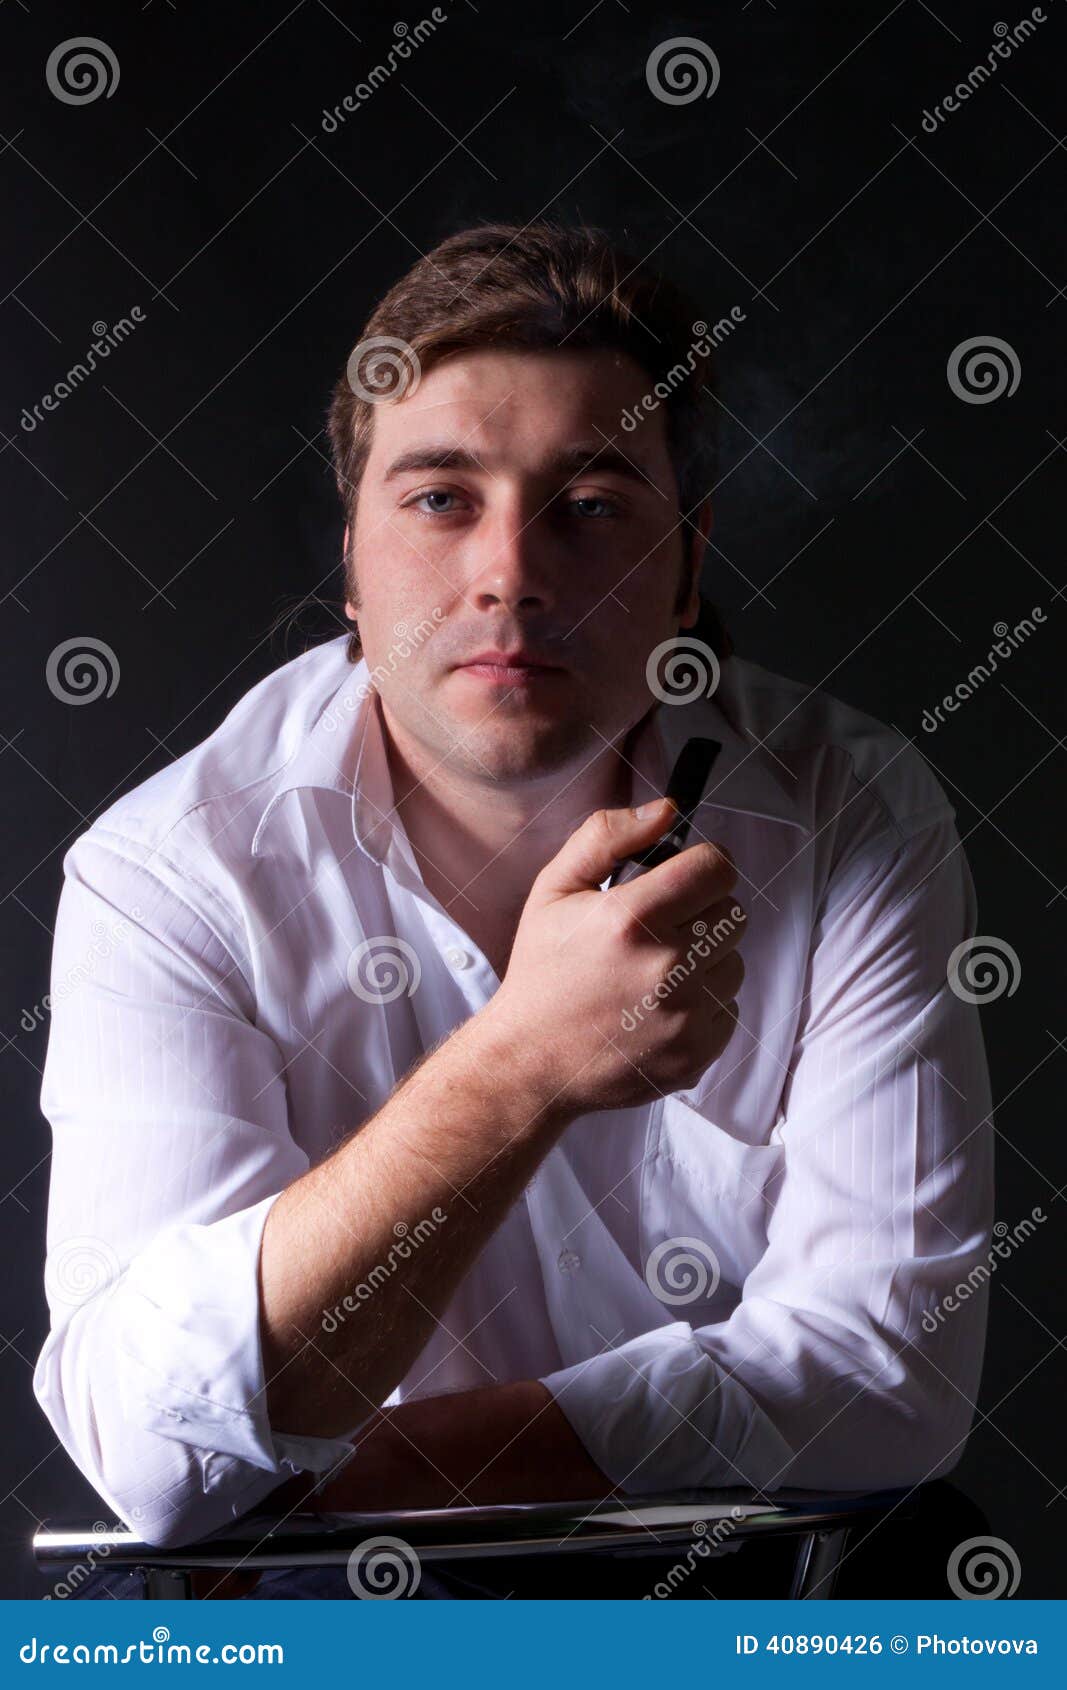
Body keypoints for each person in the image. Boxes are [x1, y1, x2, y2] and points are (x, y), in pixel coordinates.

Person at [33, 222, 993, 1597]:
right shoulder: (166, 874)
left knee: (930, 1582)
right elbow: (156, 1449)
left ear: (688, 562)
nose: (511, 574)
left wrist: (349, 1471)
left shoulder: (852, 810)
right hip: (335, 1619)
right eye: (440, 498)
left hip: (729, 1580)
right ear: (352, 565)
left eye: (590, 504)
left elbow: (890, 1371)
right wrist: (522, 1061)